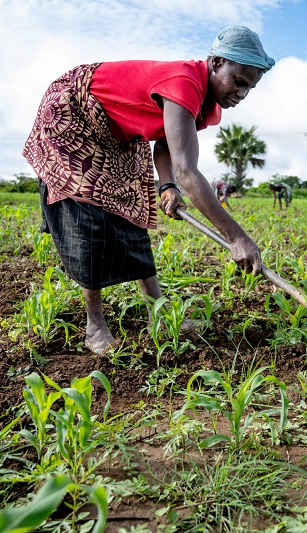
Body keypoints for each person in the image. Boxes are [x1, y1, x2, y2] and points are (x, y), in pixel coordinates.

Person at [22, 25, 275, 354]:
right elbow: (188, 171)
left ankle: (159, 311)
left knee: (135, 205)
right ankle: (95, 325)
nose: (241, 93)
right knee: (88, 214)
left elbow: (165, 146)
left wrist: (167, 185)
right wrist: (236, 237)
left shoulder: (202, 102)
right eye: (239, 81)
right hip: (74, 113)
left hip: (118, 132)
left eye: (249, 88)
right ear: (215, 63)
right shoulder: (184, 81)